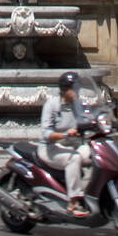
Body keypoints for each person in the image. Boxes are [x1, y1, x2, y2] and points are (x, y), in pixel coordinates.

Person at [39, 71, 92, 216]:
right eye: (74, 89)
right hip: (50, 148)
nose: (77, 92)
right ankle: (73, 202)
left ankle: (93, 194)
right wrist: (64, 134)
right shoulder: (52, 105)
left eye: (77, 88)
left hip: (73, 146)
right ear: (64, 90)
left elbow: (90, 117)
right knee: (73, 158)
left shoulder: (79, 104)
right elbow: (46, 134)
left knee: (95, 155)